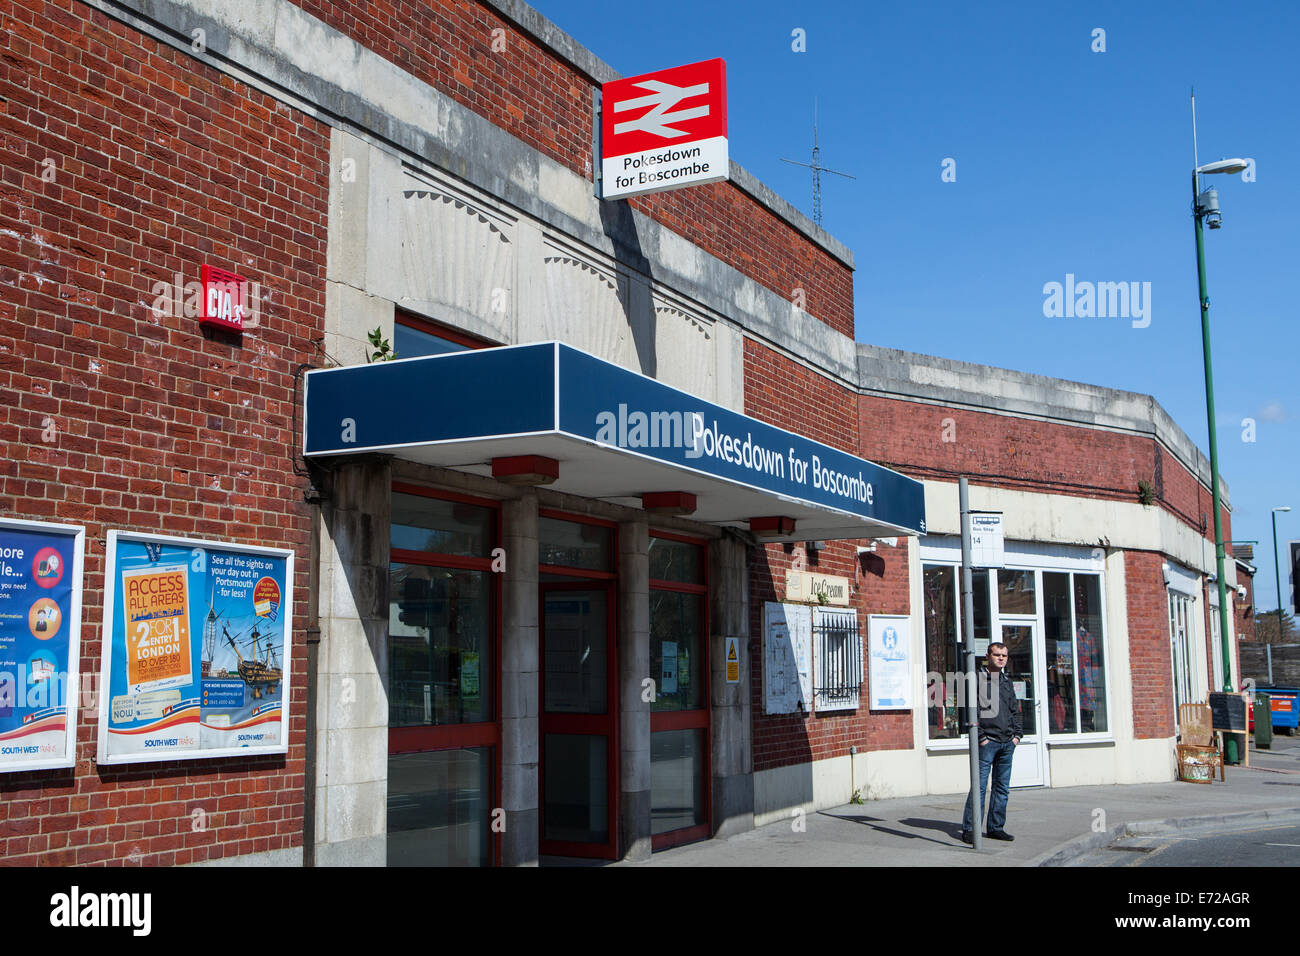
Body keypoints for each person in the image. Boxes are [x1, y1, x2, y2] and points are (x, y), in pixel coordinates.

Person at [961, 641, 1023, 844]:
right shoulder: (976, 679)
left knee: (1002, 788)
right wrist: (981, 737)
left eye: (1004, 655)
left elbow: (1015, 709)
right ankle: (970, 829)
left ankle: (996, 827)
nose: (1001, 658)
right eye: (997, 655)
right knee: (979, 787)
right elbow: (970, 709)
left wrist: (1017, 736)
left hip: (1007, 743)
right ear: (988, 655)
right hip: (988, 742)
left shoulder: (1005, 680)